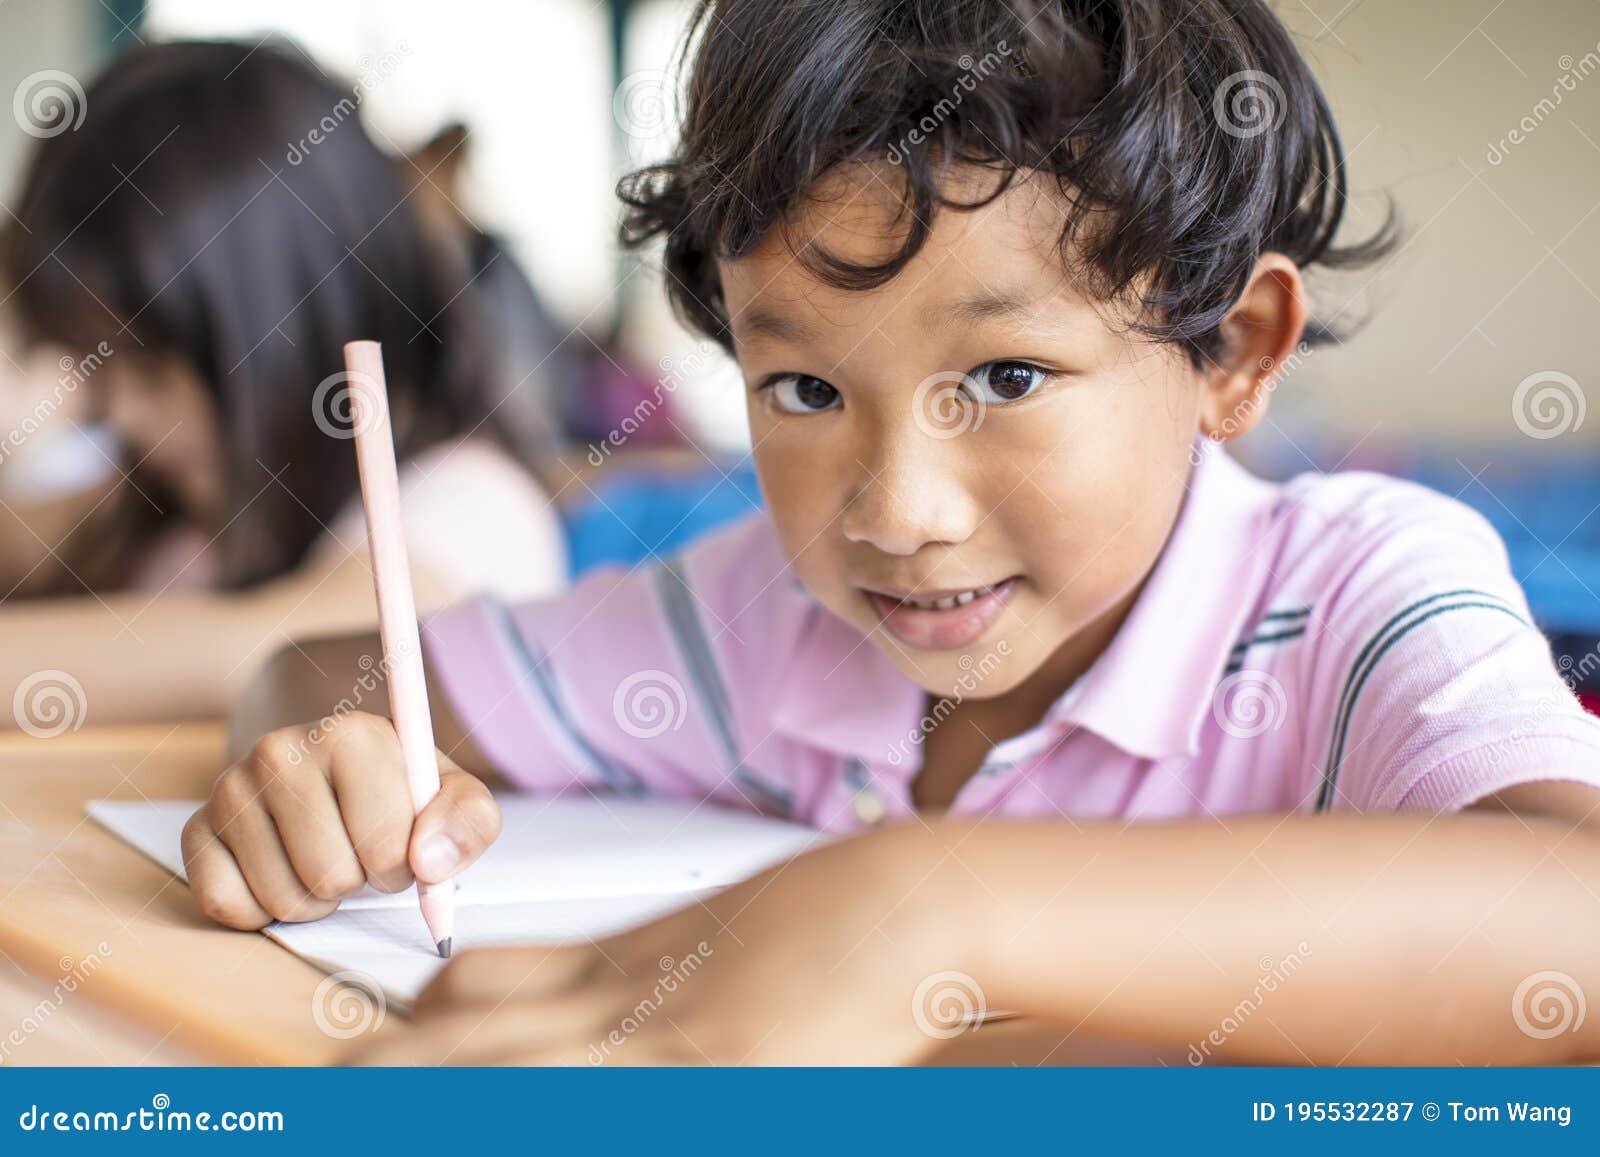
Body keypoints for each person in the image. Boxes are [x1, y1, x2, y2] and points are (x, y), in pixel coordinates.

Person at [188, 1, 1600, 1065]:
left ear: (1232, 349)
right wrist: (336, 768)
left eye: (1005, 377)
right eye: (803, 388)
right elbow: (330, 672)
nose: (895, 513)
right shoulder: (748, 624)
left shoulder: (1358, 593)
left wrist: (925, 905)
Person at [0, 40, 567, 725]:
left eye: (146, 366)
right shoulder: (175, 521)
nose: (117, 412)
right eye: (95, 358)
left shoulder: (469, 507)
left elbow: (274, 653)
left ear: (291, 322)